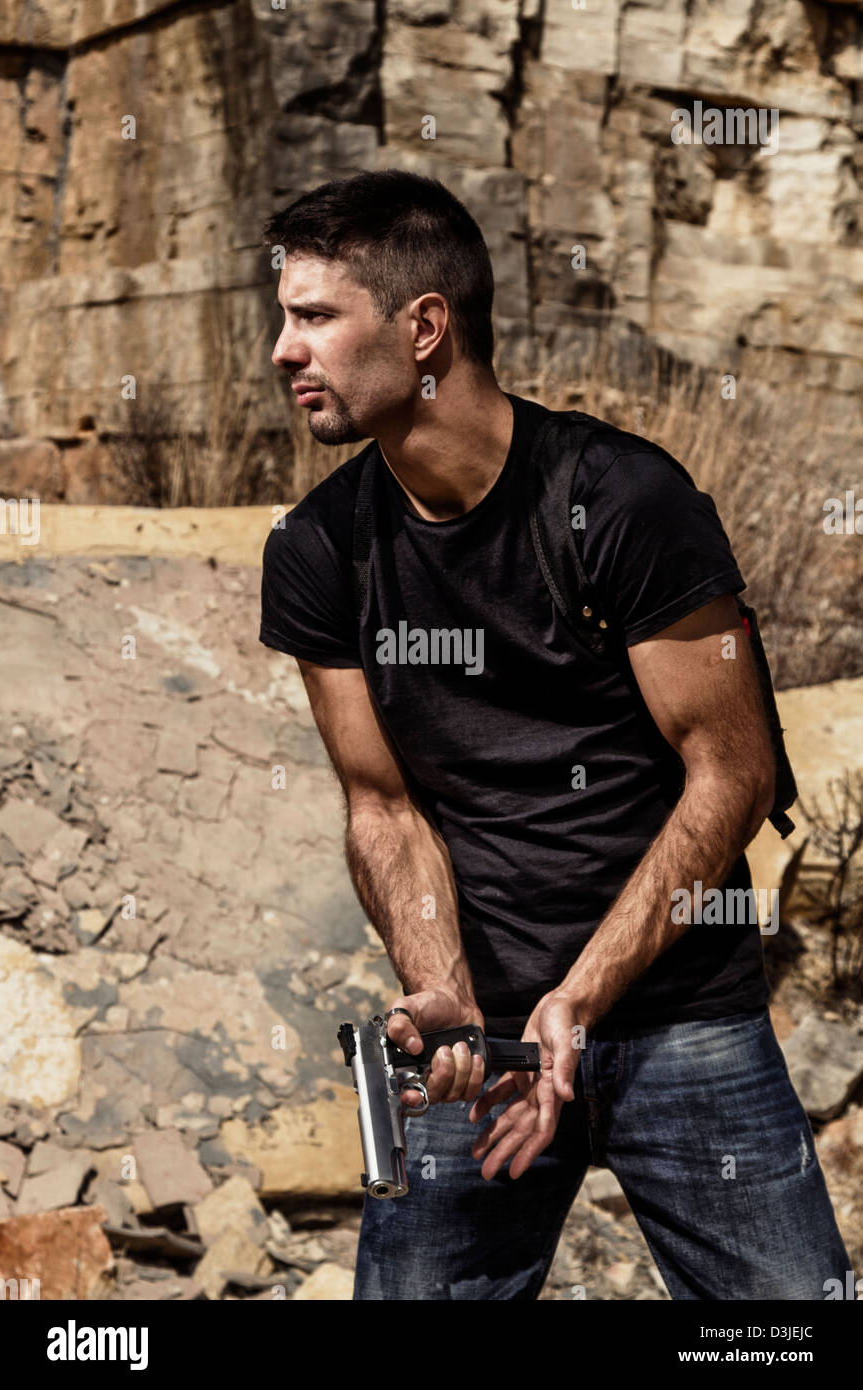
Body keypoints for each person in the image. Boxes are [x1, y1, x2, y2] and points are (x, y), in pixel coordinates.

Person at [258, 168, 851, 1300]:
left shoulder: (622, 502)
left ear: (423, 327)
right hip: (478, 1040)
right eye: (284, 317)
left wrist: (579, 997)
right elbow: (382, 804)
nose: (285, 348)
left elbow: (731, 773)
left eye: (315, 315)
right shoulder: (319, 550)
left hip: (683, 1020)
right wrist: (441, 992)